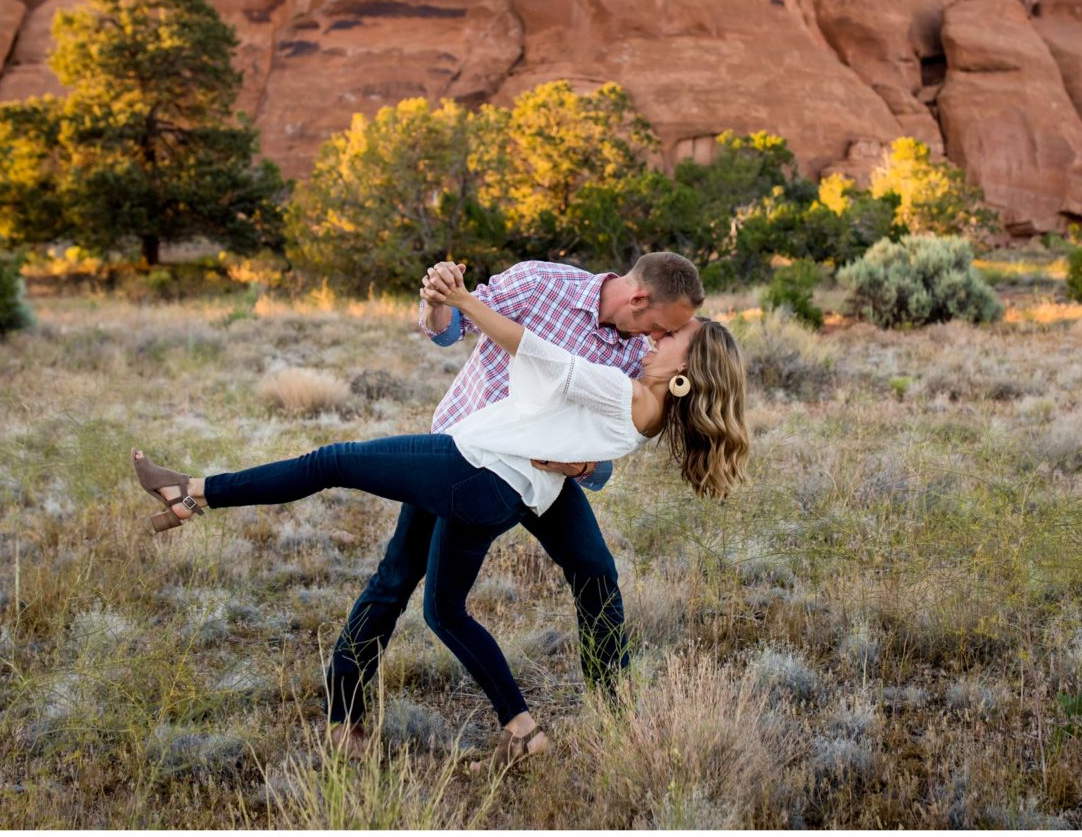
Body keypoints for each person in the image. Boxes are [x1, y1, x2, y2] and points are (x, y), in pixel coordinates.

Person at [132, 258, 750, 768]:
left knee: (591, 573)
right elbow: (450, 329)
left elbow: (562, 383)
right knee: (407, 588)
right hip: (470, 451)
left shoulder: (633, 371)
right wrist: (443, 302)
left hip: (501, 474)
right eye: (664, 327)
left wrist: (586, 467)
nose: (656, 340)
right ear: (640, 298)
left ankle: (614, 710)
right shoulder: (546, 285)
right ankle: (391, 720)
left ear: (682, 373)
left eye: (670, 339)